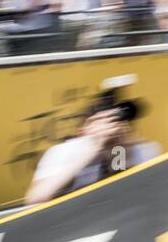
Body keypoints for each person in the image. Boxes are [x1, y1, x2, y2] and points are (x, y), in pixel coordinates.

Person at [24, 81, 161, 204]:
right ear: (83, 129)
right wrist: (92, 149)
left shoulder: (138, 149)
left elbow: (122, 194)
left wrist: (119, 149)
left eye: (115, 121)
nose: (110, 127)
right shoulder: (64, 151)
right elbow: (36, 198)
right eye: (101, 121)